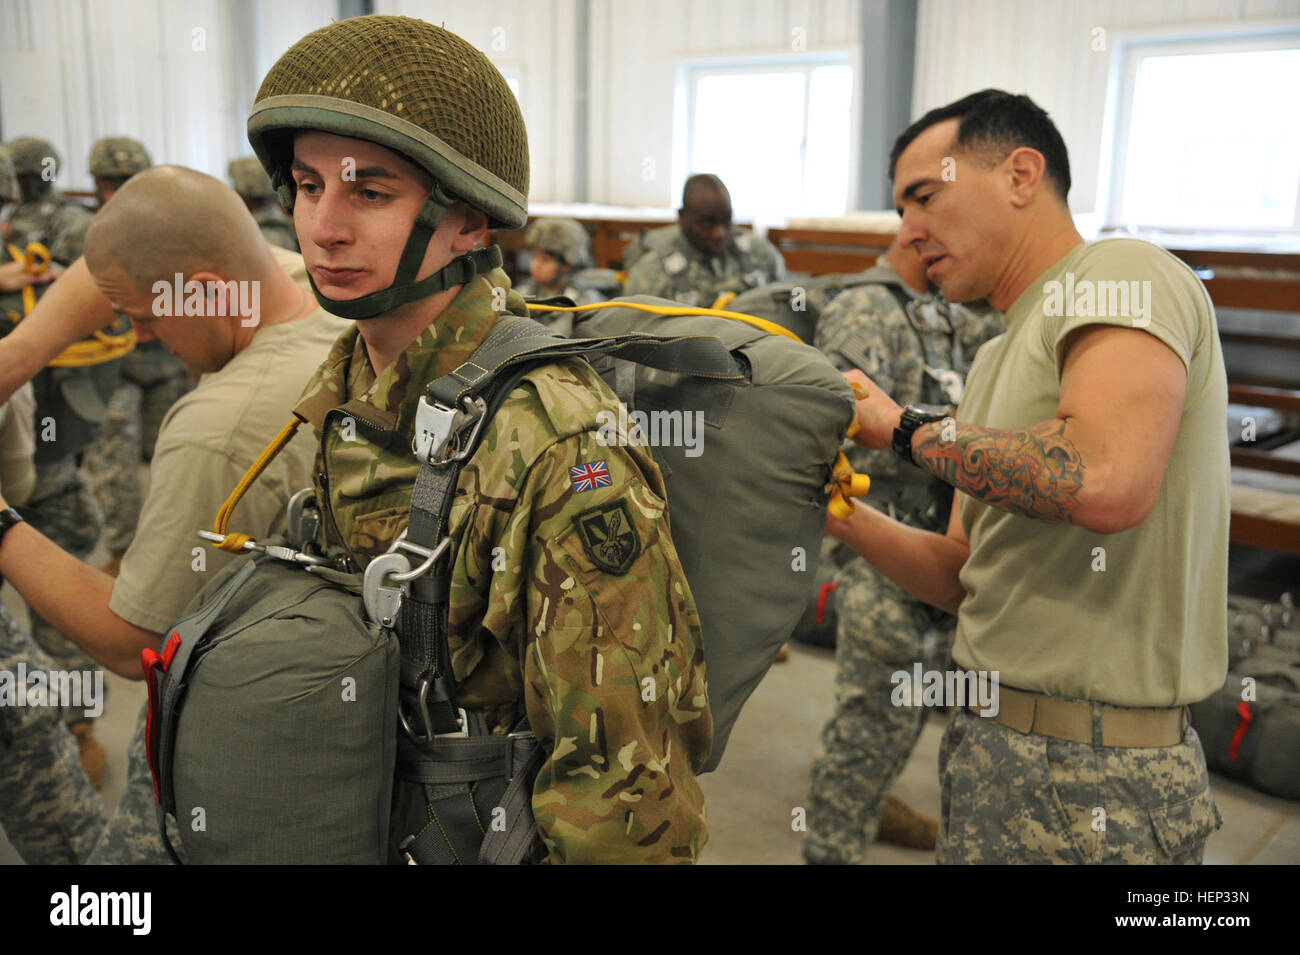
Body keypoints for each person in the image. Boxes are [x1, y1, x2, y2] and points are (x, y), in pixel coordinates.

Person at [249, 14, 710, 863]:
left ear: (470, 222)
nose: (323, 226)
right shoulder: (352, 382)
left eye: (370, 192)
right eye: (309, 187)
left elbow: (626, 800)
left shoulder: (561, 445)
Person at [834, 89, 1227, 864]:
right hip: (992, 752)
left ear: (1020, 175)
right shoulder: (993, 358)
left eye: (925, 197)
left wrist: (903, 427)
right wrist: (836, 509)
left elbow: (1102, 479)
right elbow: (963, 575)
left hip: (1101, 775)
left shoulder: (1121, 275)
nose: (908, 235)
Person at [0, 165, 348, 863]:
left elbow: (133, 642)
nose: (146, 336)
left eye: (150, 319)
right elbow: (129, 259)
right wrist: (18, 355)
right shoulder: (303, 288)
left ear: (210, 292)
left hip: (244, 729)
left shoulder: (218, 431)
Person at [804, 237, 1002, 862]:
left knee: (911, 707)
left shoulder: (946, 311)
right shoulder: (868, 307)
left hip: (940, 540)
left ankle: (875, 805)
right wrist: (946, 435)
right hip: (878, 545)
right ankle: (830, 848)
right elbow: (828, 423)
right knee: (871, 720)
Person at [1, 136, 111, 781]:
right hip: (35, 461)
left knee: (66, 615)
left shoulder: (69, 231)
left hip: (50, 460)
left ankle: (79, 730)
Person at [65, 137, 197, 579]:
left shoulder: (173, 224)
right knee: (114, 465)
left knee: (176, 459)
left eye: (128, 181)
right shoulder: (79, 230)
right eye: (110, 182)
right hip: (111, 366)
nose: (119, 190)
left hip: (169, 360)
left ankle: (175, 553)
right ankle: (123, 554)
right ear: (96, 184)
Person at [622, 174, 784, 307]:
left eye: (726, 220)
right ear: (682, 217)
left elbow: (785, 305)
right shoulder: (652, 272)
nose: (719, 233)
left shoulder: (757, 253)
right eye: (707, 223)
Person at [513, 217, 605, 333]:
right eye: (533, 257)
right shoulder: (522, 293)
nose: (535, 265)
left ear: (567, 265)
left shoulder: (584, 302)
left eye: (545, 260)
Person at [228, 156, 300, 252]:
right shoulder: (277, 222)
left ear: (246, 193)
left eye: (236, 186)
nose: (233, 191)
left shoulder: (267, 234)